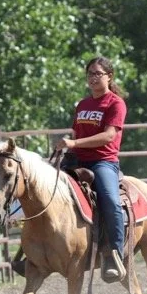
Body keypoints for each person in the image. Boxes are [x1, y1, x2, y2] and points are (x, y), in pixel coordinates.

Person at [61, 56, 129, 282]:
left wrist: (75, 144)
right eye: (90, 73)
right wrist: (69, 147)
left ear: (109, 76)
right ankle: (34, 251)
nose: (92, 78)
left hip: (103, 161)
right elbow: (76, 133)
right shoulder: (82, 104)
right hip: (78, 160)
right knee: (44, 190)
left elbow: (109, 135)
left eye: (97, 73)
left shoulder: (115, 103)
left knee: (110, 200)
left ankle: (115, 254)